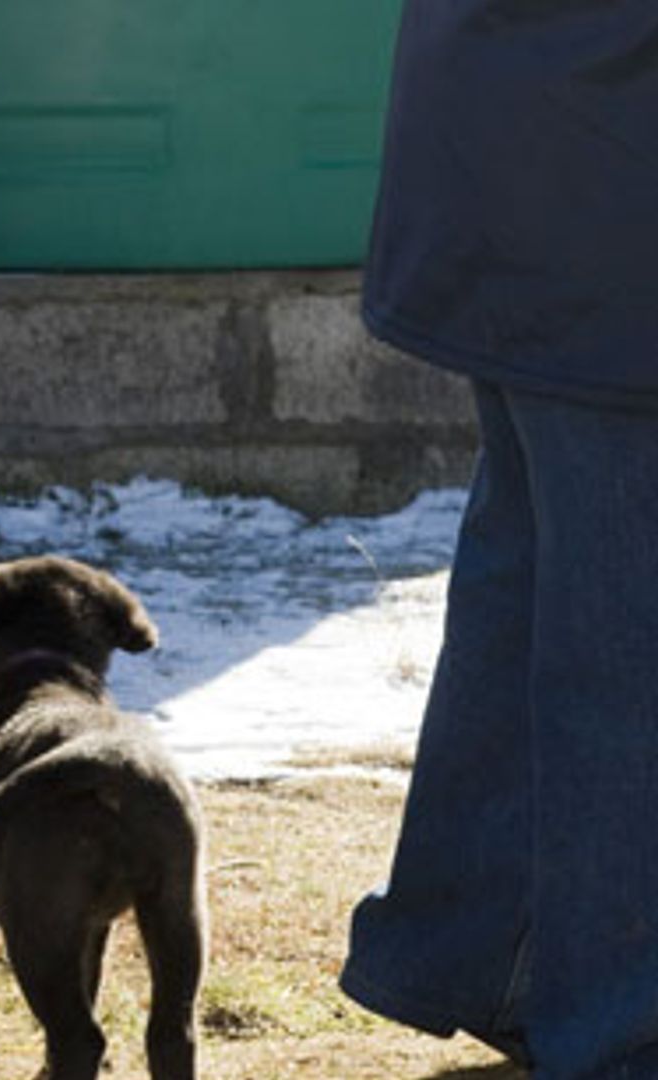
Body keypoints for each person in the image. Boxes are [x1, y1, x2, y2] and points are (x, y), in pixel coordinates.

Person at [338, 3, 658, 1078]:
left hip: (524, 162)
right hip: (605, 183)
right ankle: (620, 1026)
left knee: (529, 588)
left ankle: (479, 957)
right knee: (623, 644)